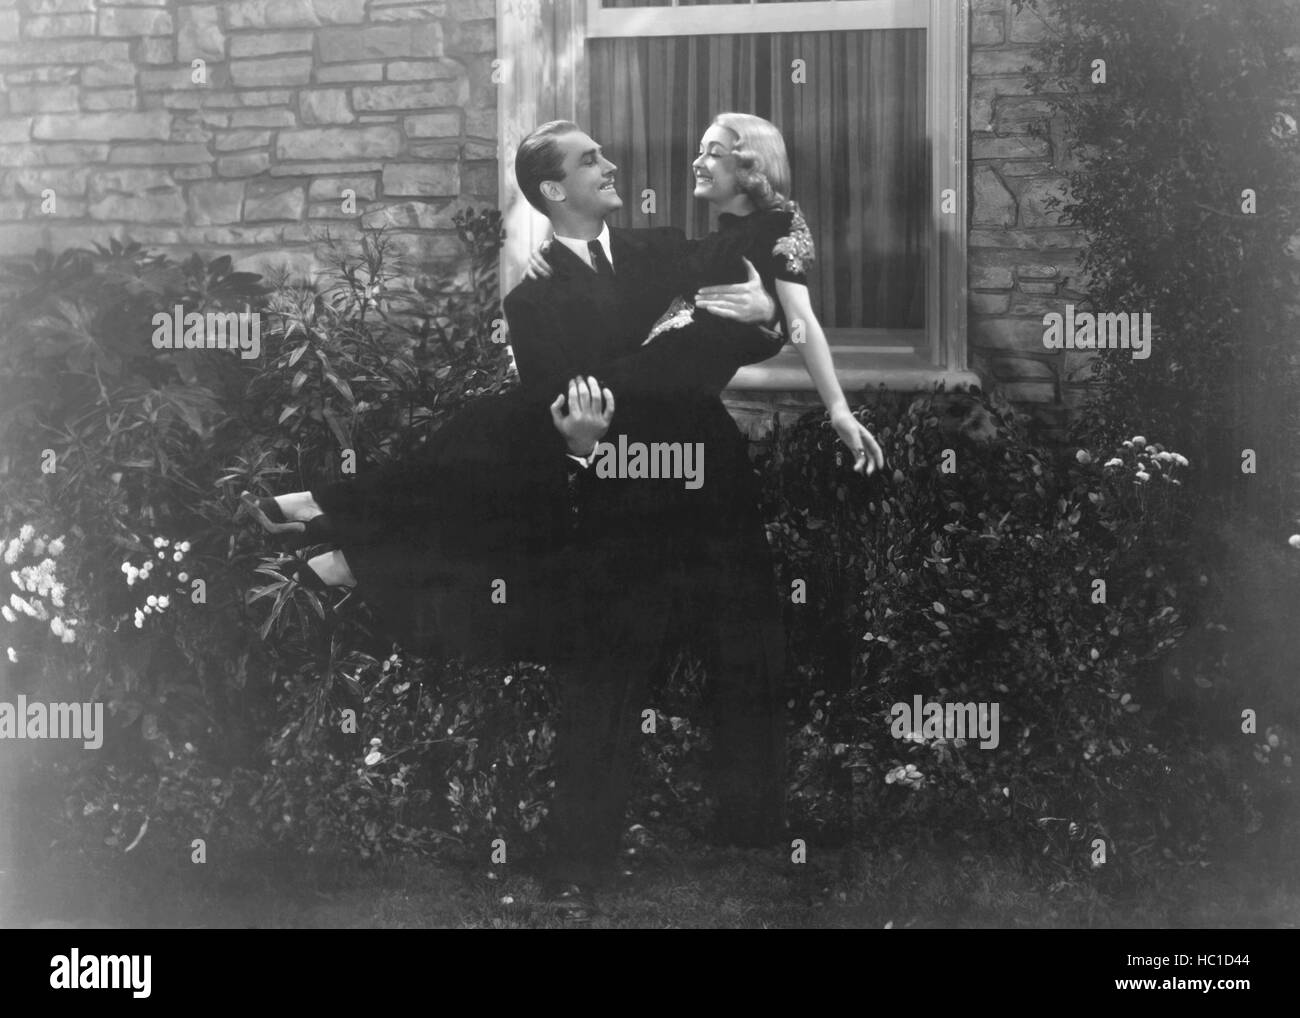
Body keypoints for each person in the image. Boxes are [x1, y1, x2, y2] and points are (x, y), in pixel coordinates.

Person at [239, 113, 883, 916]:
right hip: (617, 481)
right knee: (606, 659)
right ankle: (580, 863)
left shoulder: (654, 248)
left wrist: (763, 316)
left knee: (748, 628)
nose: (611, 163)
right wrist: (589, 435)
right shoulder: (533, 299)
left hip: (707, 469)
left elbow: (743, 301)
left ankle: (750, 822)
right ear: (554, 189)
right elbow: (568, 408)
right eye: (591, 160)